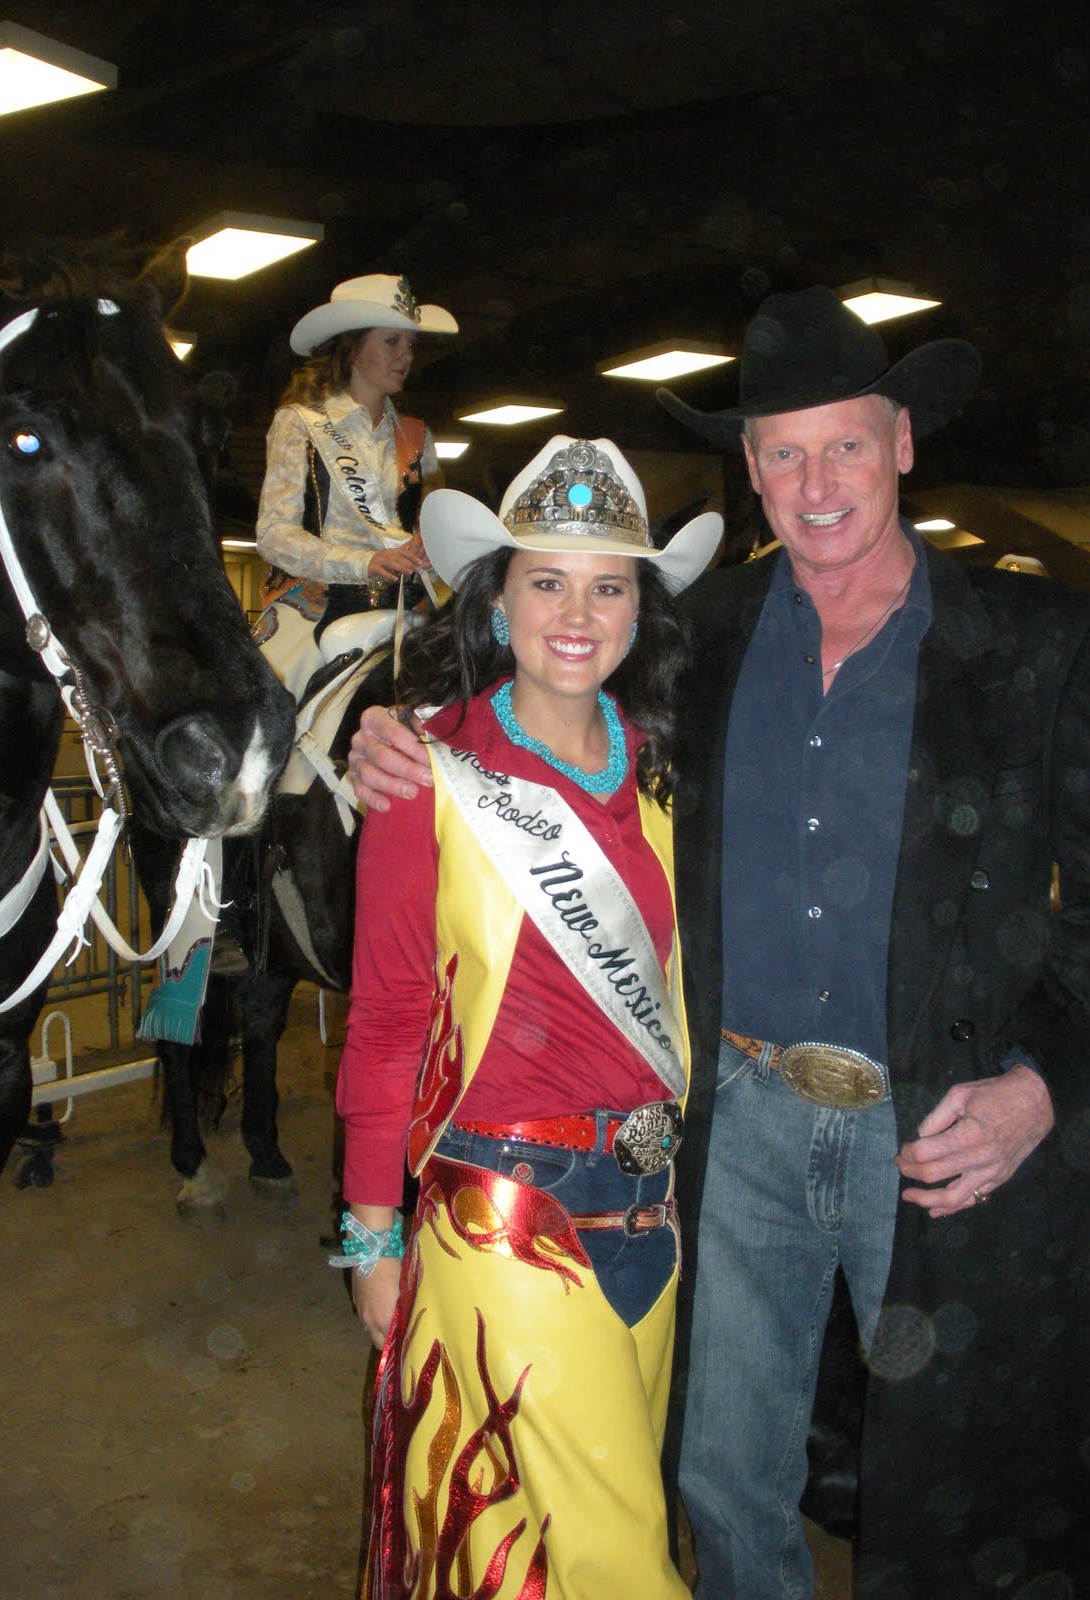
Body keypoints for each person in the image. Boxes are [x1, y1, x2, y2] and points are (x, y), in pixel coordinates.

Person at [347, 290, 1090, 1600]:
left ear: (902, 443)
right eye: (784, 452)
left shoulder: (1040, 645)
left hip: (939, 1127)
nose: (817, 483)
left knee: (953, 1486)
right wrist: (393, 736)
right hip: (731, 1125)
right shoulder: (707, 641)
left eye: (845, 444)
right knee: (722, 1478)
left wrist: (1043, 1082)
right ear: (749, 467)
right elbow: (545, 714)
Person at [331, 436, 721, 1599]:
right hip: (505, 1216)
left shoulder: (665, 772)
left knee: (519, 1558)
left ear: (640, 613)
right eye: (547, 581)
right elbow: (388, 1018)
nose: (578, 613)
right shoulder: (429, 771)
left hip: (651, 1216)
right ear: (498, 602)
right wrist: (371, 1234)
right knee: (625, 1564)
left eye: (609, 587)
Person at [253, 273, 457, 700]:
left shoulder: (418, 436)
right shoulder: (299, 424)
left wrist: (431, 545)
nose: (406, 356)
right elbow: (274, 535)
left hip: (409, 599)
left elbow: (432, 520)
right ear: (352, 348)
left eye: (410, 344)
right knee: (264, 707)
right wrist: (365, 562)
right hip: (323, 600)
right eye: (391, 342)